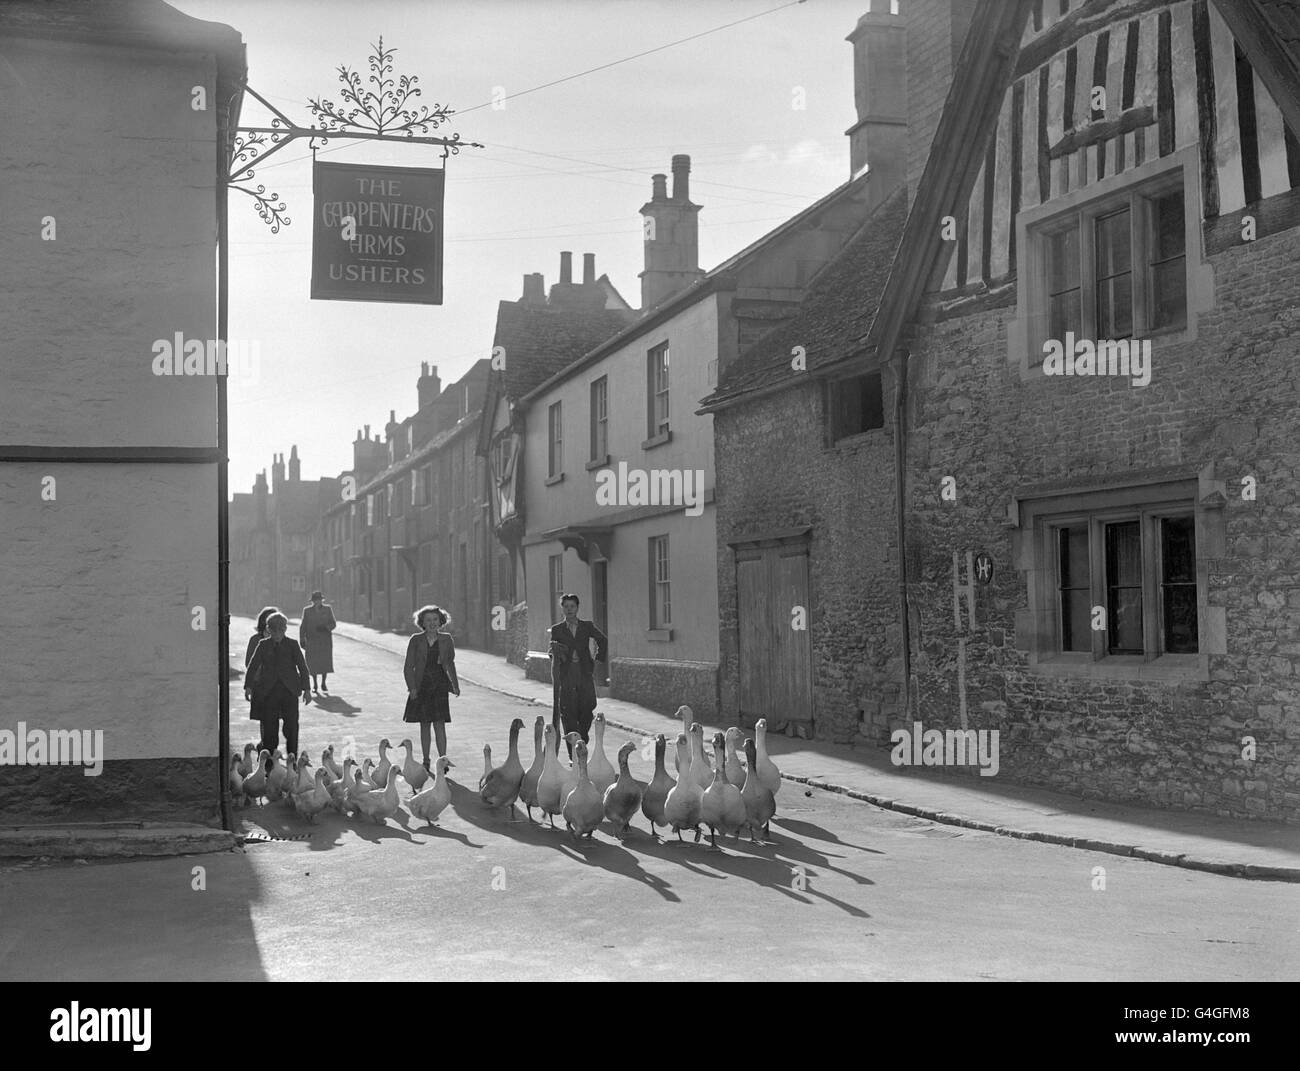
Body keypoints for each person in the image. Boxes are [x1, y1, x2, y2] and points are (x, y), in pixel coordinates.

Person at [244, 612, 312, 759]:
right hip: (269, 692)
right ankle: (269, 763)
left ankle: (292, 759)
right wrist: (248, 686)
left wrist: (307, 689)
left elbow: (302, 667)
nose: (277, 634)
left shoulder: (292, 645)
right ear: (268, 630)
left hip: (290, 691)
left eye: (280, 631)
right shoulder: (263, 645)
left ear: (285, 630)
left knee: (291, 727)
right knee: (270, 729)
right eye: (273, 631)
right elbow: (253, 666)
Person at [548, 593, 607, 756]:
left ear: (577, 608)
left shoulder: (587, 626)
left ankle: (583, 738)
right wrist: (556, 654)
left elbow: (602, 640)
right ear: (562, 609)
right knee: (568, 712)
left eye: (572, 606)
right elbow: (551, 653)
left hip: (584, 672)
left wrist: (597, 661)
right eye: (566, 607)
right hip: (566, 675)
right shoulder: (557, 629)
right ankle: (573, 754)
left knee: (587, 709)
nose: (569, 610)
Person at [403, 604, 460, 768]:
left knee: (440, 724)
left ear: (440, 620)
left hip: (440, 684)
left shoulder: (447, 639)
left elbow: (450, 663)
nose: (432, 623)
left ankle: (443, 760)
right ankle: (426, 759)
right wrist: (412, 687)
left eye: (435, 619)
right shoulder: (415, 640)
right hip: (422, 685)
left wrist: (455, 685)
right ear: (422, 622)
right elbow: (408, 666)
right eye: (428, 620)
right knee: (425, 724)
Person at [299, 590, 337, 694]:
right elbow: (303, 626)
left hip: (325, 641)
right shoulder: (307, 611)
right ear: (312, 601)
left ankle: (323, 682)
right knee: (312, 663)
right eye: (315, 600)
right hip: (312, 640)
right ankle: (315, 684)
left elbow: (333, 623)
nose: (317, 602)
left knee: (325, 662)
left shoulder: (328, 609)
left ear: (322, 600)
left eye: (319, 600)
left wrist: (326, 628)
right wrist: (302, 639)